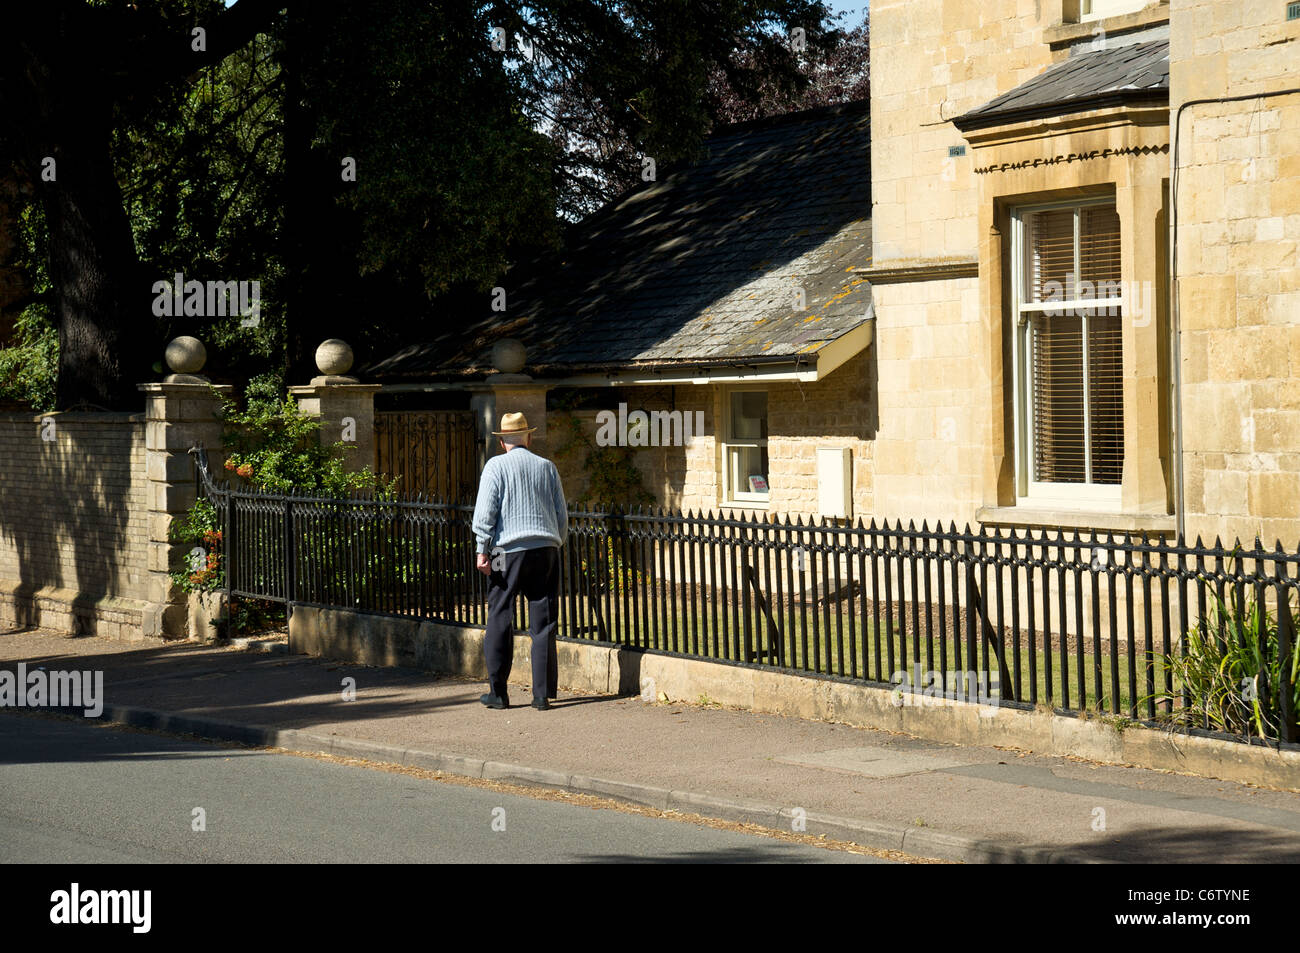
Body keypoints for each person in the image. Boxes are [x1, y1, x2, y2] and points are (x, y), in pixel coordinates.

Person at [471, 412, 568, 711]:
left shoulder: (495, 466)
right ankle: (542, 695)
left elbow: (485, 513)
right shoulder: (547, 467)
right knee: (544, 621)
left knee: (500, 613)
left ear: (501, 441)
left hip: (504, 551)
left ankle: (498, 693)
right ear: (528, 437)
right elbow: (561, 514)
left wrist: (481, 549)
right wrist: (556, 542)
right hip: (545, 548)